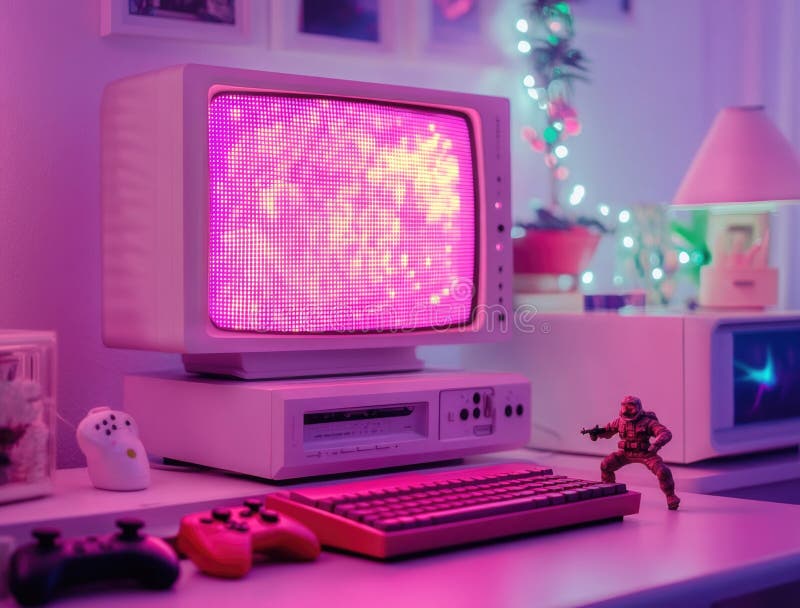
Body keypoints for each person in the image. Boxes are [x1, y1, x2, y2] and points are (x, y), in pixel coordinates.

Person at [582, 395, 680, 510]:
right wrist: (595, 434)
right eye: (624, 406)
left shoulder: (647, 421)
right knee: (606, 465)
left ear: (638, 407)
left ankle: (671, 496)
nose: (627, 410)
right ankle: (610, 492)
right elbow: (607, 430)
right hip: (625, 453)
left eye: (631, 406)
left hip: (645, 453)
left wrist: (656, 444)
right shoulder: (619, 421)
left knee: (663, 471)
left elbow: (665, 433)